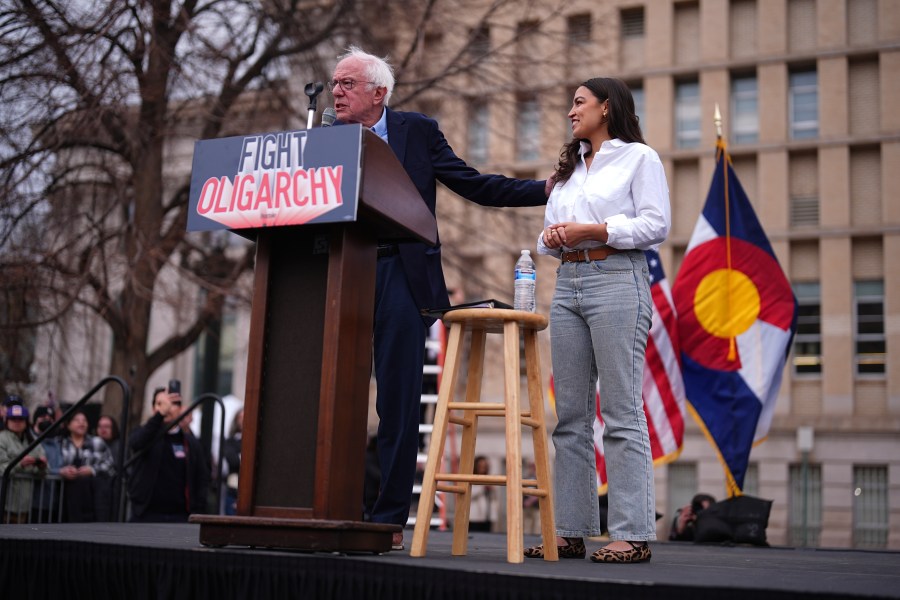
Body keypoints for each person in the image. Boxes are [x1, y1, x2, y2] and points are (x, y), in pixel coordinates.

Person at [328, 46, 551, 550]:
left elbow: (474, 185)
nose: (336, 92)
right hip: (341, 273)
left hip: (400, 276)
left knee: (398, 401)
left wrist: (543, 190)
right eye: (334, 83)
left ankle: (387, 519)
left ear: (378, 93)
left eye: (347, 84)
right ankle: (330, 506)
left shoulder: (417, 132)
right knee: (331, 394)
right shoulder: (325, 139)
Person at [524, 77, 670, 564]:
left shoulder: (639, 159)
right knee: (570, 416)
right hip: (567, 282)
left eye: (579, 102)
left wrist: (595, 229)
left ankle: (633, 534)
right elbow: (545, 237)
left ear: (606, 108)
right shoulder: (569, 170)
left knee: (622, 411)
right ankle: (570, 531)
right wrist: (555, 236)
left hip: (617, 279)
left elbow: (656, 224)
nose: (571, 111)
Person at [127, 387, 209, 522]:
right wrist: (159, 416)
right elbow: (136, 443)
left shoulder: (190, 442)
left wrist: (198, 509)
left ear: (180, 409)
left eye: (172, 403)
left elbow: (202, 477)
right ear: (153, 408)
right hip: (145, 515)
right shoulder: (145, 434)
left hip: (180, 516)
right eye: (160, 403)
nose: (167, 408)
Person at [58, 410, 115, 521]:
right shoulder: (61, 443)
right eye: (77, 420)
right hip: (64, 497)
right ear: (68, 425)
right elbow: (51, 465)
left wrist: (92, 470)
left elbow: (110, 465)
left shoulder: (97, 442)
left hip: (91, 497)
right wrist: (62, 471)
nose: (81, 423)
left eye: (84, 420)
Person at [0, 404, 47, 523]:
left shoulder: (33, 441)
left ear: (26, 421)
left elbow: (46, 471)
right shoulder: (1, 439)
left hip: (24, 506)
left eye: (20, 419)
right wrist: (19, 464)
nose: (17, 422)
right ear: (6, 421)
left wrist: (41, 467)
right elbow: (1, 469)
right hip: (4, 503)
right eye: (13, 419)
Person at [221, 409, 243, 516]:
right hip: (233, 491)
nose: (243, 421)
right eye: (240, 418)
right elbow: (234, 461)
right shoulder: (230, 441)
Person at [468, 455, 496, 532]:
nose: (483, 468)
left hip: (487, 516)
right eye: (481, 466)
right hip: (474, 516)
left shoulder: (490, 478)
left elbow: (494, 499)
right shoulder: (470, 477)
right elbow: (469, 494)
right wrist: (483, 487)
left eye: (485, 466)